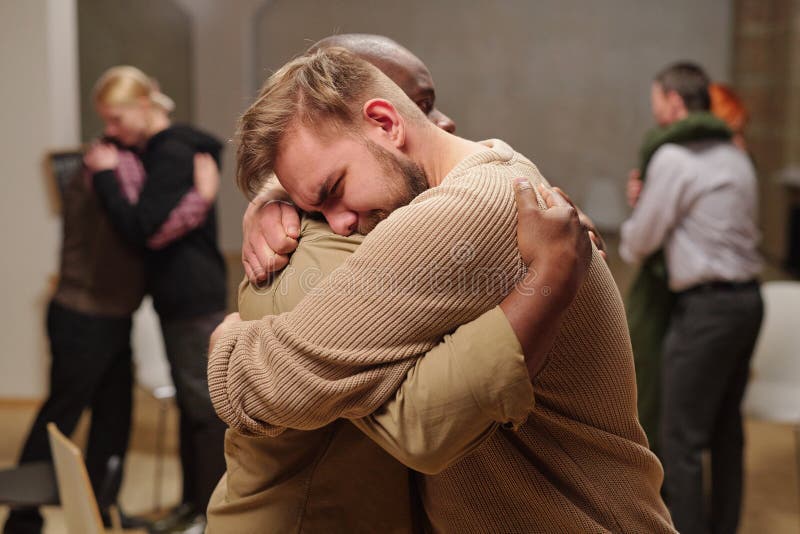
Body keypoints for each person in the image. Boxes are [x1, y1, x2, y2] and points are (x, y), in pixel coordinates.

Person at [209, 47, 673, 531]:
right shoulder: (491, 174)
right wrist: (273, 196)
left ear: (386, 123)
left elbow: (261, 385)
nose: (340, 224)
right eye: (316, 208)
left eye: (333, 190)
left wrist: (227, 339)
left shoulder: (465, 212)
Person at [2, 143, 218, 534]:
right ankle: (22, 520)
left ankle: (103, 510)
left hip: (114, 315)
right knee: (62, 415)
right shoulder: (101, 171)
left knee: (114, 417)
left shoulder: (122, 169)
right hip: (83, 315)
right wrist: (199, 198)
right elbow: (142, 228)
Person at [82, 66, 228, 533]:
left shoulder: (172, 151)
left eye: (117, 119)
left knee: (204, 411)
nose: (112, 131)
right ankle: (192, 509)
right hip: (181, 296)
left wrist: (105, 179)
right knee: (192, 408)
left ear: (144, 106)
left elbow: (143, 227)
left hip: (192, 296)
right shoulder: (164, 149)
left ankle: (209, 516)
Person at [620, 62, 763, 534]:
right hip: (747, 303)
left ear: (675, 103)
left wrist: (639, 204)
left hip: (706, 311)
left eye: (657, 99)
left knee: (679, 440)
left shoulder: (675, 159)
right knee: (726, 434)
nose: (655, 108)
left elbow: (639, 242)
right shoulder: (736, 154)